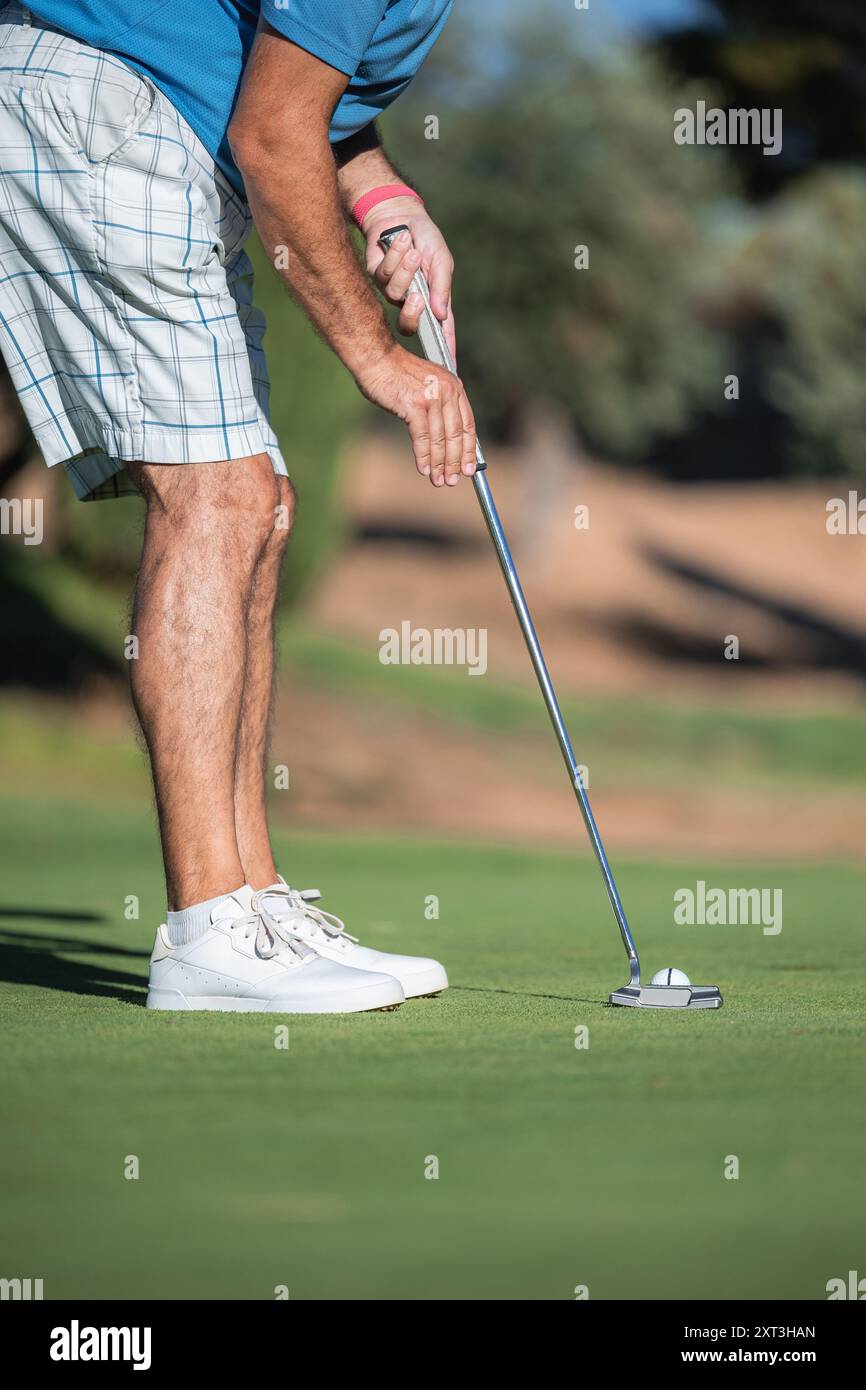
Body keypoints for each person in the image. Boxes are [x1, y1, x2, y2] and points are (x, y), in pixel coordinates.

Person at [0, 1, 477, 1012]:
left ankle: (253, 905)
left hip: (139, 117)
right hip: (95, 103)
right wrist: (379, 363)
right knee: (215, 499)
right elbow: (269, 133)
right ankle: (207, 926)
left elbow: (298, 92)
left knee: (256, 504)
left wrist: (383, 196)